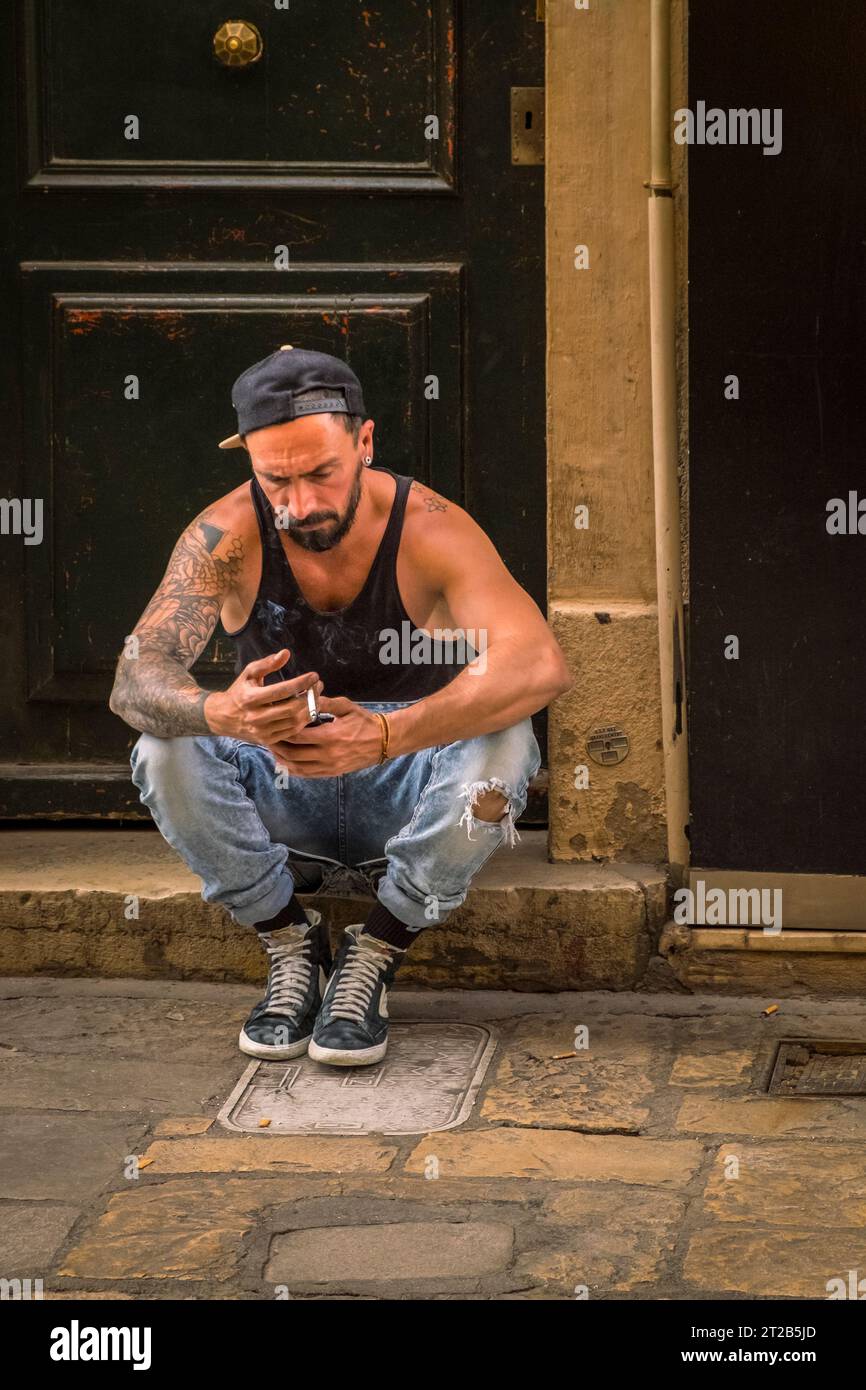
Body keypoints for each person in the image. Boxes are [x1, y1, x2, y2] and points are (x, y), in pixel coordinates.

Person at [109, 346, 571, 1068]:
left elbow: (539, 663)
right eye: (276, 480)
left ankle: (378, 949)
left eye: (322, 473)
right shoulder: (223, 534)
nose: (300, 504)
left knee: (507, 742)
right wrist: (221, 713)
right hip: (281, 792)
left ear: (364, 442)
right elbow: (135, 679)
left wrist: (389, 734)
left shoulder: (432, 526)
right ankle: (289, 941)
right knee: (161, 742)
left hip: (406, 792)